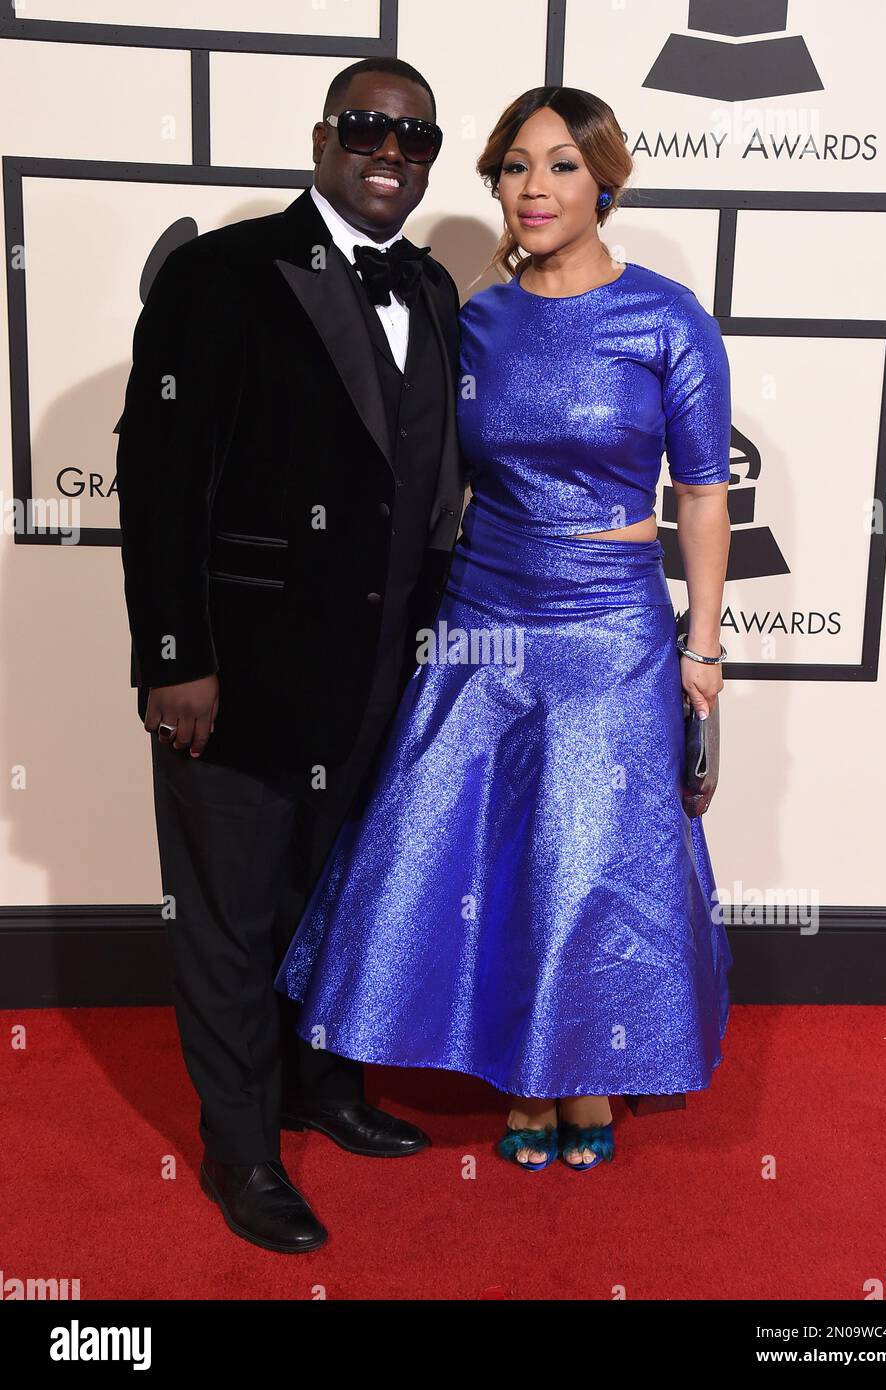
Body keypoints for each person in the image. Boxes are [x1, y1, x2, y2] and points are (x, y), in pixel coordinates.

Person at [275, 86, 733, 1174]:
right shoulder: (467, 315)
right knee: (486, 849)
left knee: (589, 851)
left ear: (604, 180)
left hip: (608, 622)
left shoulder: (665, 318)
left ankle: (579, 1078)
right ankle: (516, 1070)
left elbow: (703, 493)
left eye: (562, 165)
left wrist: (702, 648)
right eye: (516, 166)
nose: (534, 188)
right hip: (483, 610)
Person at [114, 57, 464, 1251]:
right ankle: (243, 1150)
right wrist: (173, 657)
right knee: (230, 915)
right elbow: (157, 484)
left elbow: (420, 486)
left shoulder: (427, 287)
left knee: (337, 899)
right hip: (238, 677)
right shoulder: (221, 275)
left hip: (377, 674)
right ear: (323, 138)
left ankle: (324, 1087)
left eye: (415, 140)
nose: (391, 154)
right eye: (369, 129)